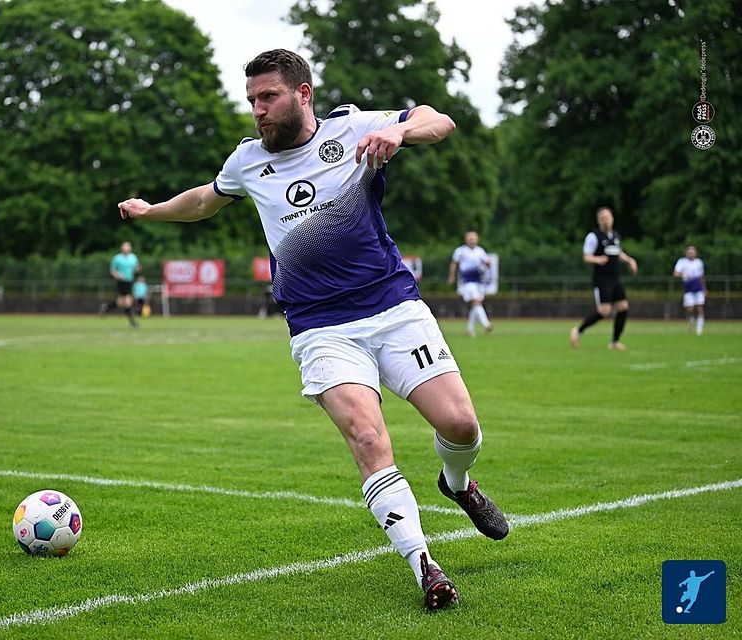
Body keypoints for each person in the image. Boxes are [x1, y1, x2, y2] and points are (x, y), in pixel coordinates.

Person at [119, 49, 508, 610]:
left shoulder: (353, 127)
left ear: (303, 94)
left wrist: (401, 135)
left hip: (394, 307)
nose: (257, 110)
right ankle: (424, 563)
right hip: (320, 326)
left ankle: (457, 483)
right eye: (251, 99)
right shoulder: (248, 161)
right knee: (370, 439)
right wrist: (153, 210)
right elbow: (207, 199)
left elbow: (438, 120)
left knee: (462, 426)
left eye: (268, 97)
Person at [570, 207, 638, 350]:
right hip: (602, 280)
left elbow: (618, 253)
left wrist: (630, 260)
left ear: (612, 218)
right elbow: (586, 257)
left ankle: (614, 341)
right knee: (604, 311)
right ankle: (578, 330)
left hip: (615, 279)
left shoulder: (615, 236)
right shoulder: (593, 237)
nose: (606, 220)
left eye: (608, 217)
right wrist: (597, 259)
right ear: (599, 220)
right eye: (603, 218)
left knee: (623, 307)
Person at [447, 231, 493, 337]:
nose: (472, 240)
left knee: (475, 305)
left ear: (477, 239)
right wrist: (452, 276)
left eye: (474, 238)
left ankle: (470, 329)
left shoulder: (480, 251)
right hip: (467, 282)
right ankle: (486, 324)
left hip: (479, 282)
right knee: (476, 302)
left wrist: (488, 264)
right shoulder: (460, 251)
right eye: (470, 238)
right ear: (466, 239)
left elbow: (487, 262)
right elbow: (454, 263)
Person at [673, 245, 706, 336]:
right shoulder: (682, 262)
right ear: (686, 253)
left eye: (693, 252)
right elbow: (675, 273)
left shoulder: (699, 262)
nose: (691, 253)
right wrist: (682, 274)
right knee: (689, 308)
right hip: (688, 288)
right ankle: (691, 321)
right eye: (689, 252)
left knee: (699, 307)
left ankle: (699, 329)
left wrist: (704, 288)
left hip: (698, 286)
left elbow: (701, 276)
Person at [110, 241, 141, 328]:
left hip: (130, 281)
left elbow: (137, 267)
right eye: (124, 247)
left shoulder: (133, 257)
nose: (126, 249)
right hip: (121, 282)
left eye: (128, 247)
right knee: (127, 301)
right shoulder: (117, 258)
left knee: (122, 302)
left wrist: (138, 269)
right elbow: (112, 270)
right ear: (122, 248)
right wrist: (117, 276)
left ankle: (106, 307)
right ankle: (133, 322)